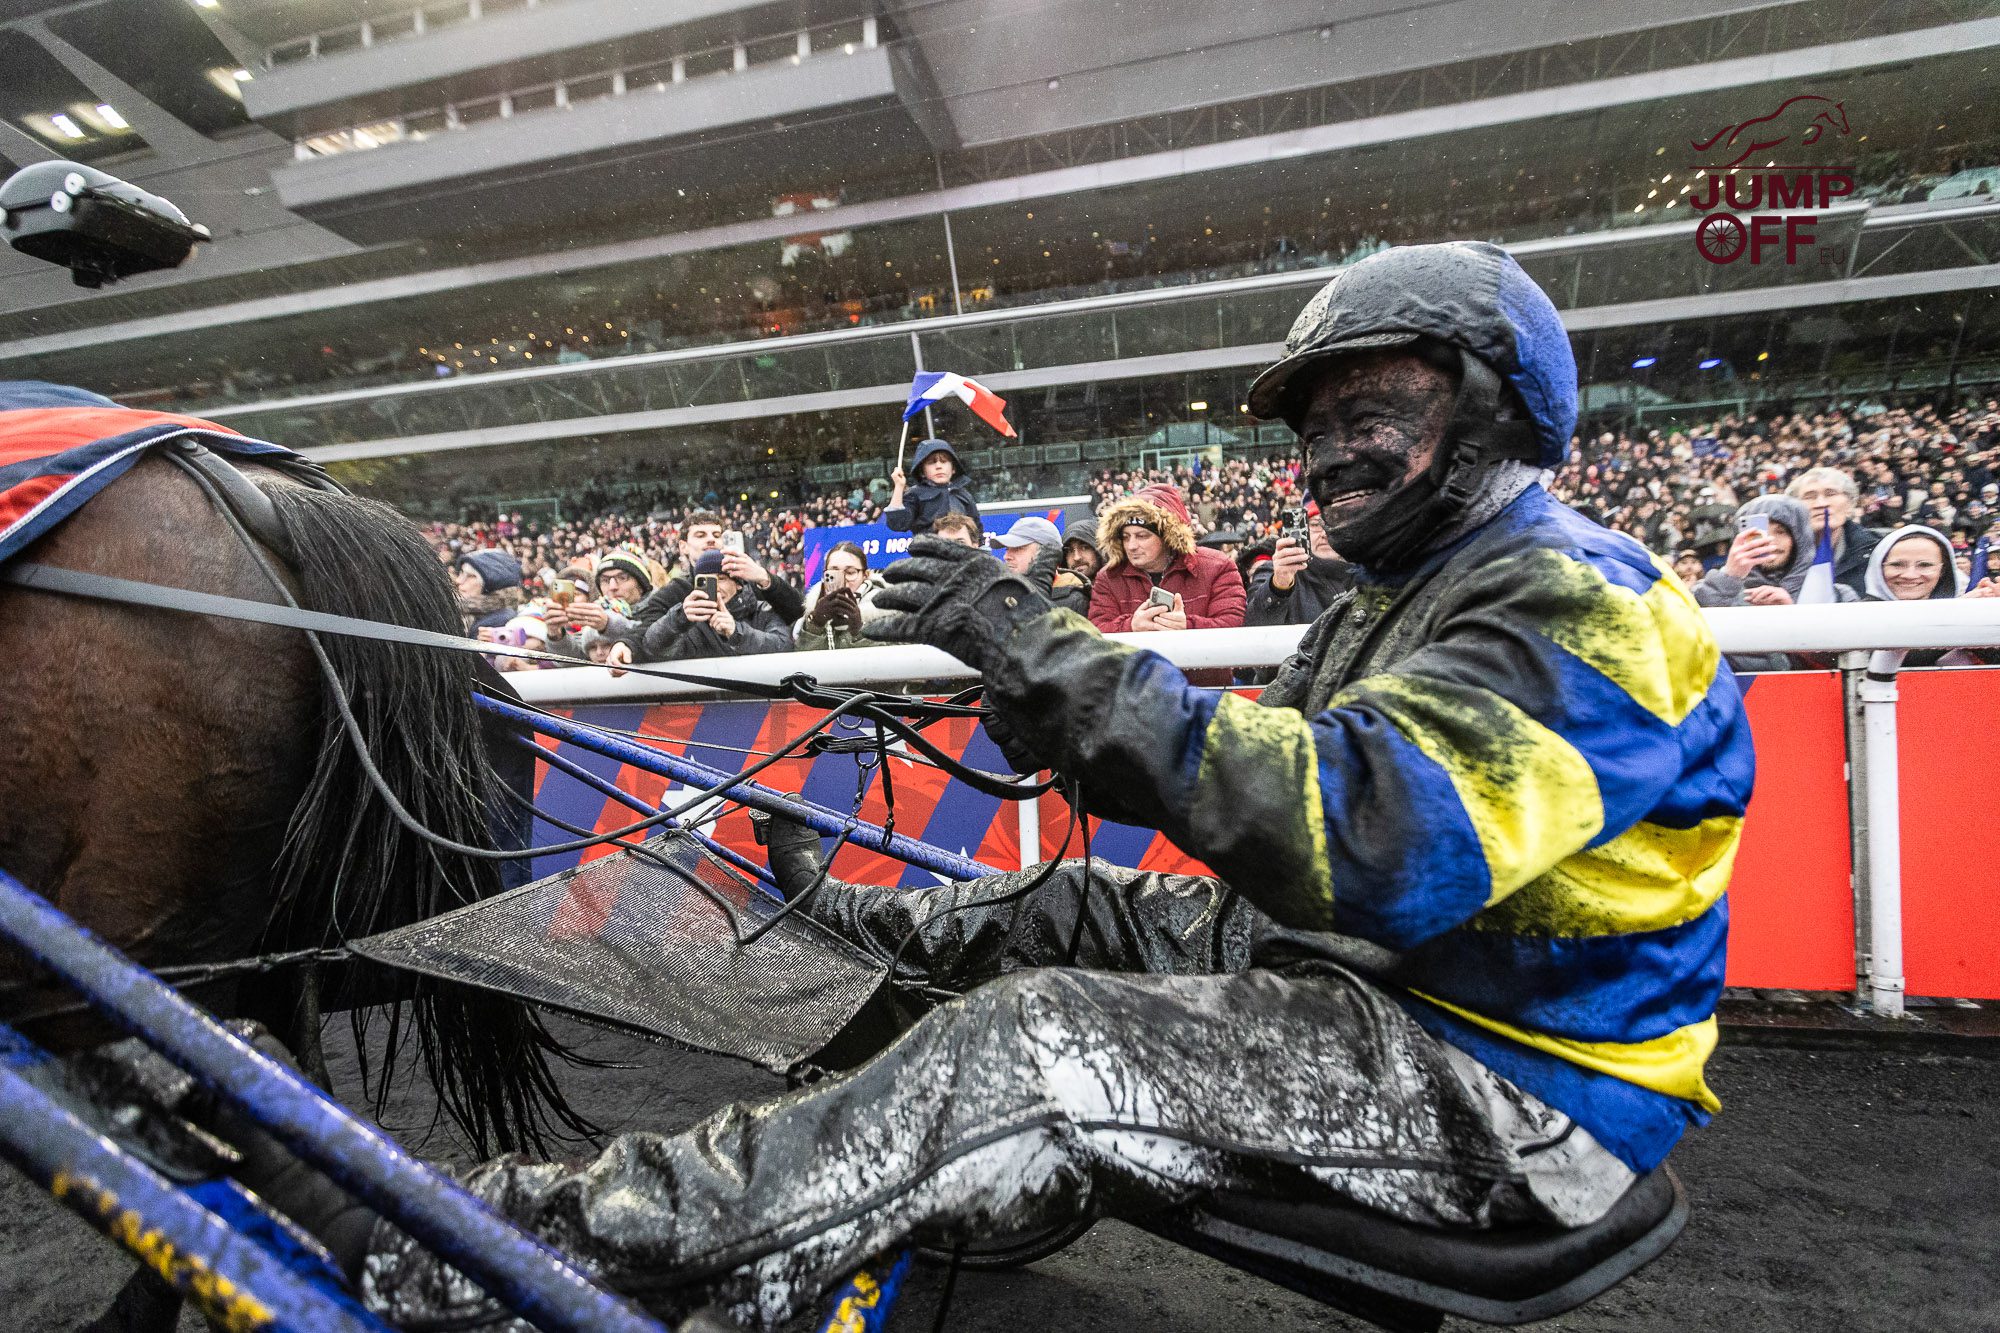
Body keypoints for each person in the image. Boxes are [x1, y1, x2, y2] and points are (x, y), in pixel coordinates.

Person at [222, 243, 1754, 1333]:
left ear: (1492, 409)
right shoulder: (1391, 588)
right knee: (1044, 903)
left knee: (1040, 1038)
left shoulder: (1583, 602)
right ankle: (901, 1139)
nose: (1325, 457)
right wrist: (1050, 709)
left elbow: (1365, 840)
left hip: (1516, 1088)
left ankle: (523, 1256)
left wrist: (1040, 642)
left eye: (1370, 413)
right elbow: (1236, 766)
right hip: (1372, 984)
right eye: (1310, 427)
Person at [1691, 496, 1854, 672]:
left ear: (1799, 537)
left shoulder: (1838, 596)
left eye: (1780, 531)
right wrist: (1729, 576)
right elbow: (1689, 638)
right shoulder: (1715, 591)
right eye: (1758, 533)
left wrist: (1794, 618)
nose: (1769, 540)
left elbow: (1849, 662)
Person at [1087, 483, 1246, 633]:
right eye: (1126, 537)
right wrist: (1131, 627)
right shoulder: (1108, 578)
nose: (1131, 546)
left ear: (1167, 537)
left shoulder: (1218, 567)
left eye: (1142, 536)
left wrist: (1188, 626)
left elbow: (1232, 623)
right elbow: (1095, 633)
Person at [1865, 523, 2000, 666]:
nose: (1910, 575)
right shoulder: (1863, 612)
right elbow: (1899, 660)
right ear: (1879, 567)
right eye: (1897, 564)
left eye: (1925, 565)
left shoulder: (1960, 613)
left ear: (1942, 571)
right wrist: (1959, 612)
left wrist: (1991, 615)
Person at [632, 549, 793, 661]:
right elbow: (653, 647)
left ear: (738, 584)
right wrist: (678, 619)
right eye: (705, 581)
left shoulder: (763, 611)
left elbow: (784, 646)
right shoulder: (690, 621)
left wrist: (736, 632)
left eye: (721, 579)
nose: (714, 586)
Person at [1243, 504, 1354, 628]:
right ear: (1304, 530)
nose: (1324, 534)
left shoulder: (1365, 571)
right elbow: (1254, 625)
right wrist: (1278, 587)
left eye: (1332, 524)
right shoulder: (1278, 570)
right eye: (1316, 525)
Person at [1787, 467, 1881, 599]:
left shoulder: (1877, 551)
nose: (1821, 503)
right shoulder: (1779, 555)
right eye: (1809, 497)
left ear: (1850, 504)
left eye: (1830, 494)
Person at [793, 541, 887, 651]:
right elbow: (803, 662)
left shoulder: (886, 609)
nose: (843, 580)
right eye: (834, 573)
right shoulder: (812, 611)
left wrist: (859, 631)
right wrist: (815, 625)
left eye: (850, 572)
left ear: (865, 575)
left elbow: (889, 662)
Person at [990, 516, 1091, 615]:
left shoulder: (1075, 602)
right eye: (1007, 549)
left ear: (1046, 553)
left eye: (1018, 548)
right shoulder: (997, 597)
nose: (1006, 556)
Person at [884, 438, 980, 535]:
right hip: (927, 549)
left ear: (953, 468)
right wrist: (899, 487)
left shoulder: (964, 495)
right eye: (931, 462)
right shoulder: (915, 494)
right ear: (922, 471)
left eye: (944, 461)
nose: (938, 466)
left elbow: (977, 531)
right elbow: (897, 523)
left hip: (961, 549)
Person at [452, 549, 524, 635]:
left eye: (471, 576)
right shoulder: (470, 613)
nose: (458, 580)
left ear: (492, 584)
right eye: (461, 573)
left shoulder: (498, 623)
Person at [1060, 515, 1101, 580]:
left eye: (1084, 548)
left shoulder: (1119, 587)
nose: (1077, 557)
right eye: (1070, 551)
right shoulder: (1055, 588)